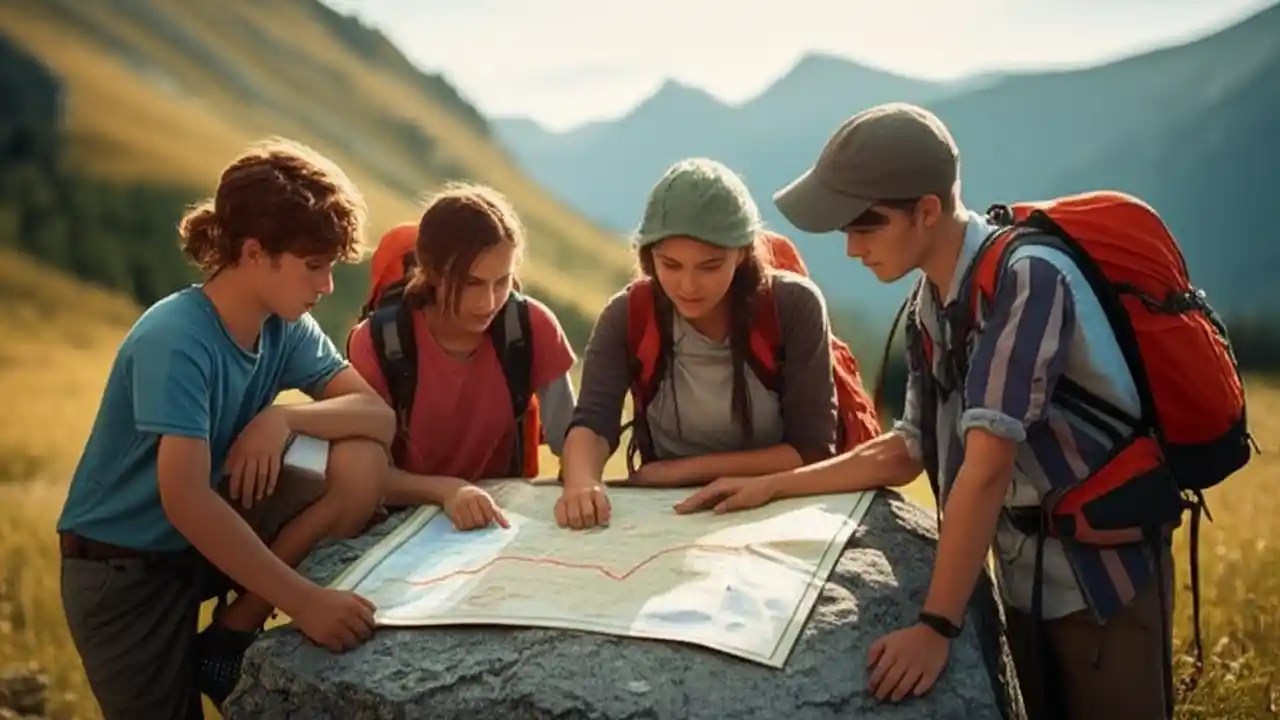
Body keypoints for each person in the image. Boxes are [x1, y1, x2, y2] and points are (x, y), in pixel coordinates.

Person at [676, 103, 1184, 719]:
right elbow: (907, 446)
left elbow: (987, 465)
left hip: (1103, 582)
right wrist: (772, 486)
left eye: (865, 225)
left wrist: (936, 627)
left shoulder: (1028, 280)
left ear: (927, 211)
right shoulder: (931, 299)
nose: (851, 247)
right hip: (1024, 574)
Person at [55, 137, 396, 719]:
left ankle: (232, 633)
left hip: (203, 539)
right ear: (257, 252)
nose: (327, 286)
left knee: (360, 462)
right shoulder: (177, 337)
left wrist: (282, 415)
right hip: (123, 572)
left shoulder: (283, 326)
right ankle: (253, 621)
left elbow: (377, 418)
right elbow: (183, 498)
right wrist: (307, 603)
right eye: (315, 266)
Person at [556, 157, 840, 530]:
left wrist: (677, 472)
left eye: (709, 266)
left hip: (775, 503)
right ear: (648, 257)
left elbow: (812, 449)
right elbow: (593, 422)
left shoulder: (792, 307)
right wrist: (581, 482)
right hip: (670, 514)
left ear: (741, 254)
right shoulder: (628, 316)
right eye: (670, 265)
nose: (688, 286)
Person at [347, 182, 578, 531]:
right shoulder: (379, 342)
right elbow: (361, 473)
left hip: (498, 516)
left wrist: (580, 485)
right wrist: (448, 491)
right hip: (399, 518)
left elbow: (572, 439)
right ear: (431, 271)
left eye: (502, 282)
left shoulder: (531, 326)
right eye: (471, 283)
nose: (488, 303)